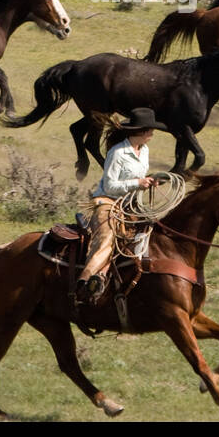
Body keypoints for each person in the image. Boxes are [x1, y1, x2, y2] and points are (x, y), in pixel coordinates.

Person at [75, 108, 164, 305]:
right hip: (108, 202)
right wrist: (137, 183)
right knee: (107, 238)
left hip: (130, 205)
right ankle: (85, 279)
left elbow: (138, 178)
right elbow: (109, 186)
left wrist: (149, 181)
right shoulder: (117, 153)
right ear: (140, 131)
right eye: (150, 130)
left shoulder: (144, 150)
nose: (153, 134)